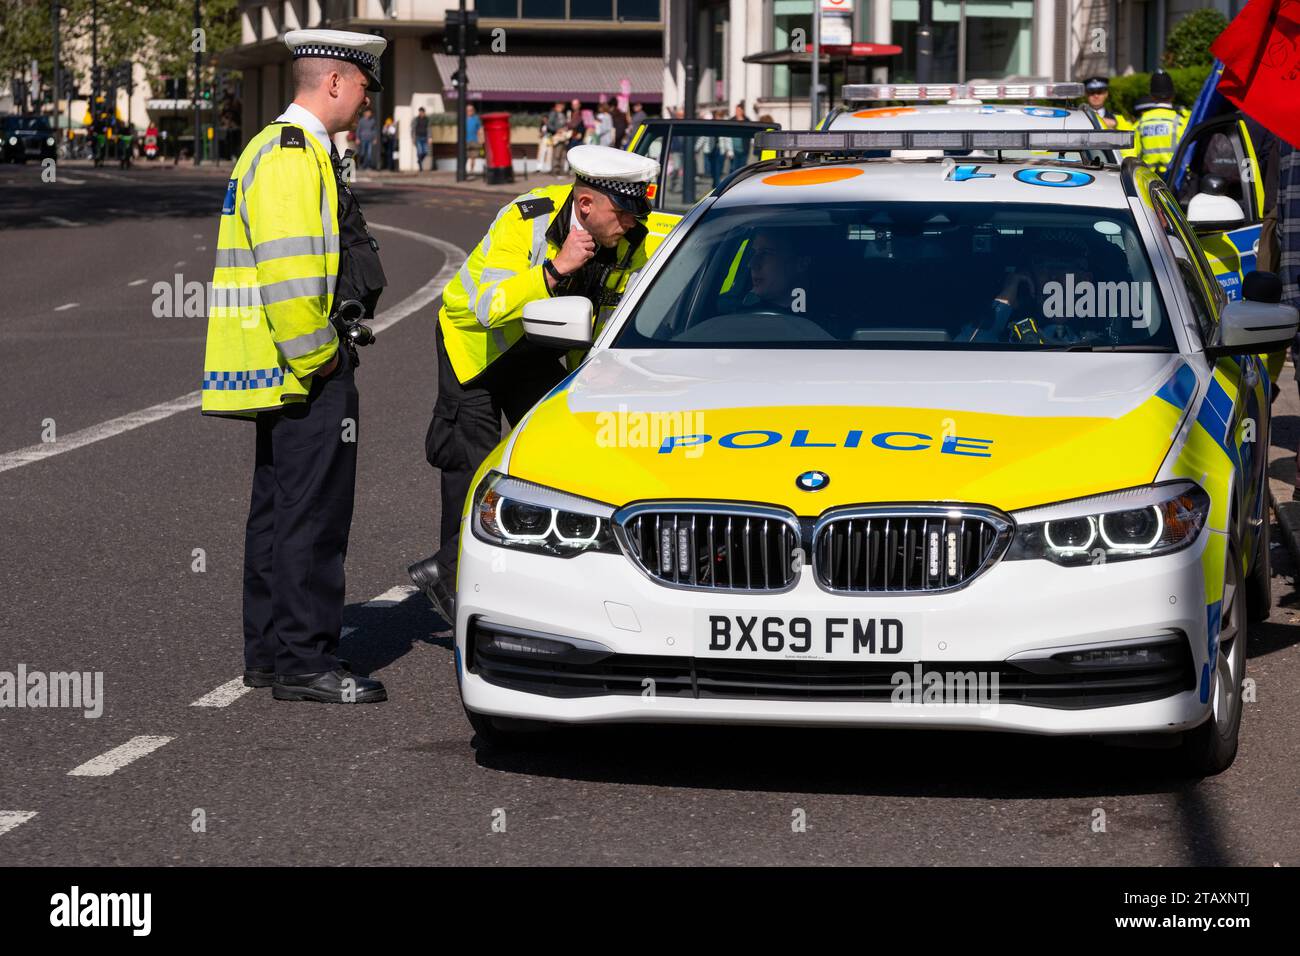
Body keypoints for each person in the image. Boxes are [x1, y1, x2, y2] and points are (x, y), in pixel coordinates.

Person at [202, 28, 390, 704]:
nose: (367, 103)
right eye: (365, 87)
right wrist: (325, 356)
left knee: (279, 513)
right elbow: (289, 279)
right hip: (302, 367)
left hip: (277, 369)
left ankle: (274, 656)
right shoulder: (292, 156)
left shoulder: (286, 150)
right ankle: (308, 660)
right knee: (312, 516)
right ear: (335, 81)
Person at [408, 144, 660, 622]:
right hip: (476, 348)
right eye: (623, 213)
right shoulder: (525, 219)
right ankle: (460, 586)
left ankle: (457, 570)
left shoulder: (628, 235)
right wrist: (554, 269)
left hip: (540, 347)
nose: (630, 224)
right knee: (470, 465)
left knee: (554, 458)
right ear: (586, 205)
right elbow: (488, 305)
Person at [1131, 70, 1190, 174]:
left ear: (1152, 96)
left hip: (1148, 180)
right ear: (1173, 95)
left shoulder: (1140, 123)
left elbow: (1132, 154)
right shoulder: (1183, 121)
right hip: (1174, 178)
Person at [464, 103, 483, 175]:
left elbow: (480, 129)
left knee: (473, 156)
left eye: (471, 110)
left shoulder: (476, 119)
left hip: (474, 140)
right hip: (465, 140)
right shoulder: (463, 119)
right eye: (468, 110)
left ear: (473, 111)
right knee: (464, 156)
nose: (470, 111)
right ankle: (463, 170)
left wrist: (481, 139)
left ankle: (472, 170)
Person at [413, 106, 429, 170]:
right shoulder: (416, 119)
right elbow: (413, 129)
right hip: (418, 137)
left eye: (422, 112)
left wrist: (430, 137)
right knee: (420, 151)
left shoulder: (427, 119)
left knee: (425, 152)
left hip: (425, 137)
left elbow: (429, 128)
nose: (421, 113)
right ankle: (420, 167)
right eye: (420, 112)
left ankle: (419, 161)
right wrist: (413, 137)